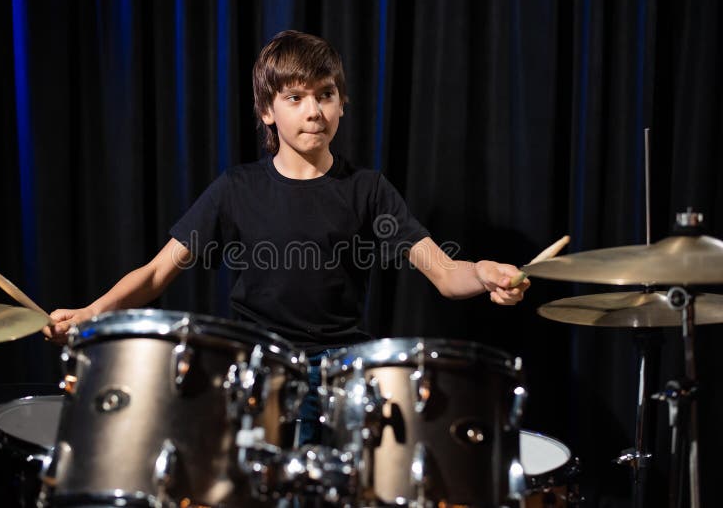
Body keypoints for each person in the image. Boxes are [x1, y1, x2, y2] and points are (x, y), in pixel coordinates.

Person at [44, 30, 529, 444]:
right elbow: (155, 274)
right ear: (268, 111)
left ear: (342, 105)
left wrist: (484, 274)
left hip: (342, 374)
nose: (313, 111)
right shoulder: (237, 188)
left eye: (325, 94)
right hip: (258, 372)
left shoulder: (368, 190)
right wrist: (90, 313)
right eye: (295, 98)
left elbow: (444, 273)